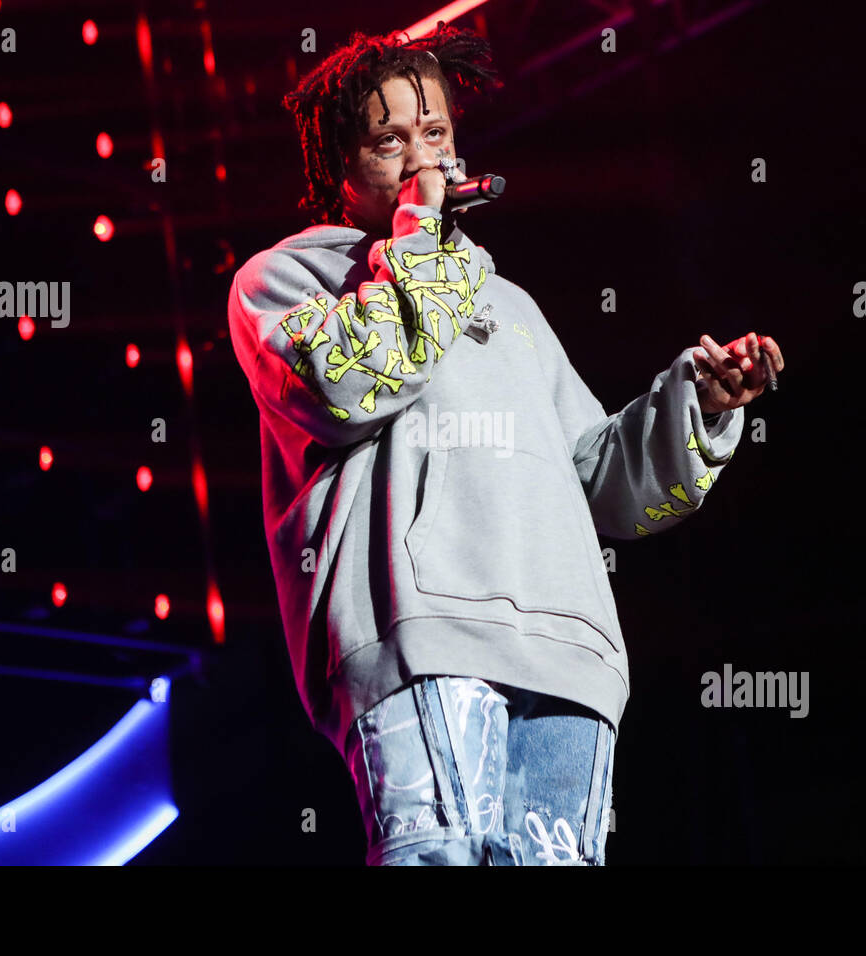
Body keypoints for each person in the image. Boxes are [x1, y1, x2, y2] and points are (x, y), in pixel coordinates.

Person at [226, 23, 783, 865]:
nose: (425, 160)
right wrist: (419, 242)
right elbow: (351, 385)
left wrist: (696, 407)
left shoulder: (508, 302)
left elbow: (601, 485)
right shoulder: (287, 279)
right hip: (425, 635)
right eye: (390, 141)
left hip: (570, 654)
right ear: (337, 169)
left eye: (437, 134)